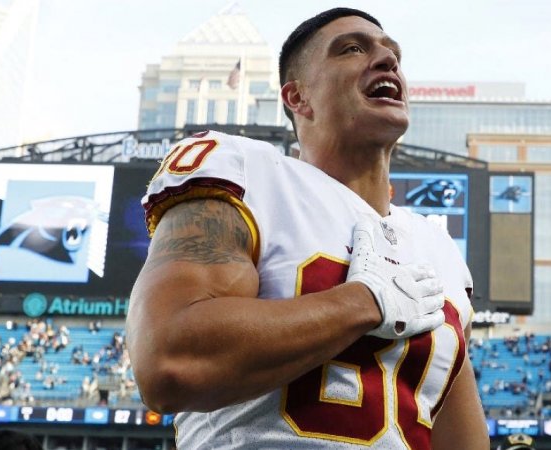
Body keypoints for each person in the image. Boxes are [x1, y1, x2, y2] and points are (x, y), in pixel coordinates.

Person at [127, 7, 488, 449]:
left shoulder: (439, 249)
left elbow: (459, 439)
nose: (387, 60)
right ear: (297, 98)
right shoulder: (246, 170)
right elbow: (169, 360)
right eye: (352, 49)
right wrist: (365, 301)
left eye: (393, 54)